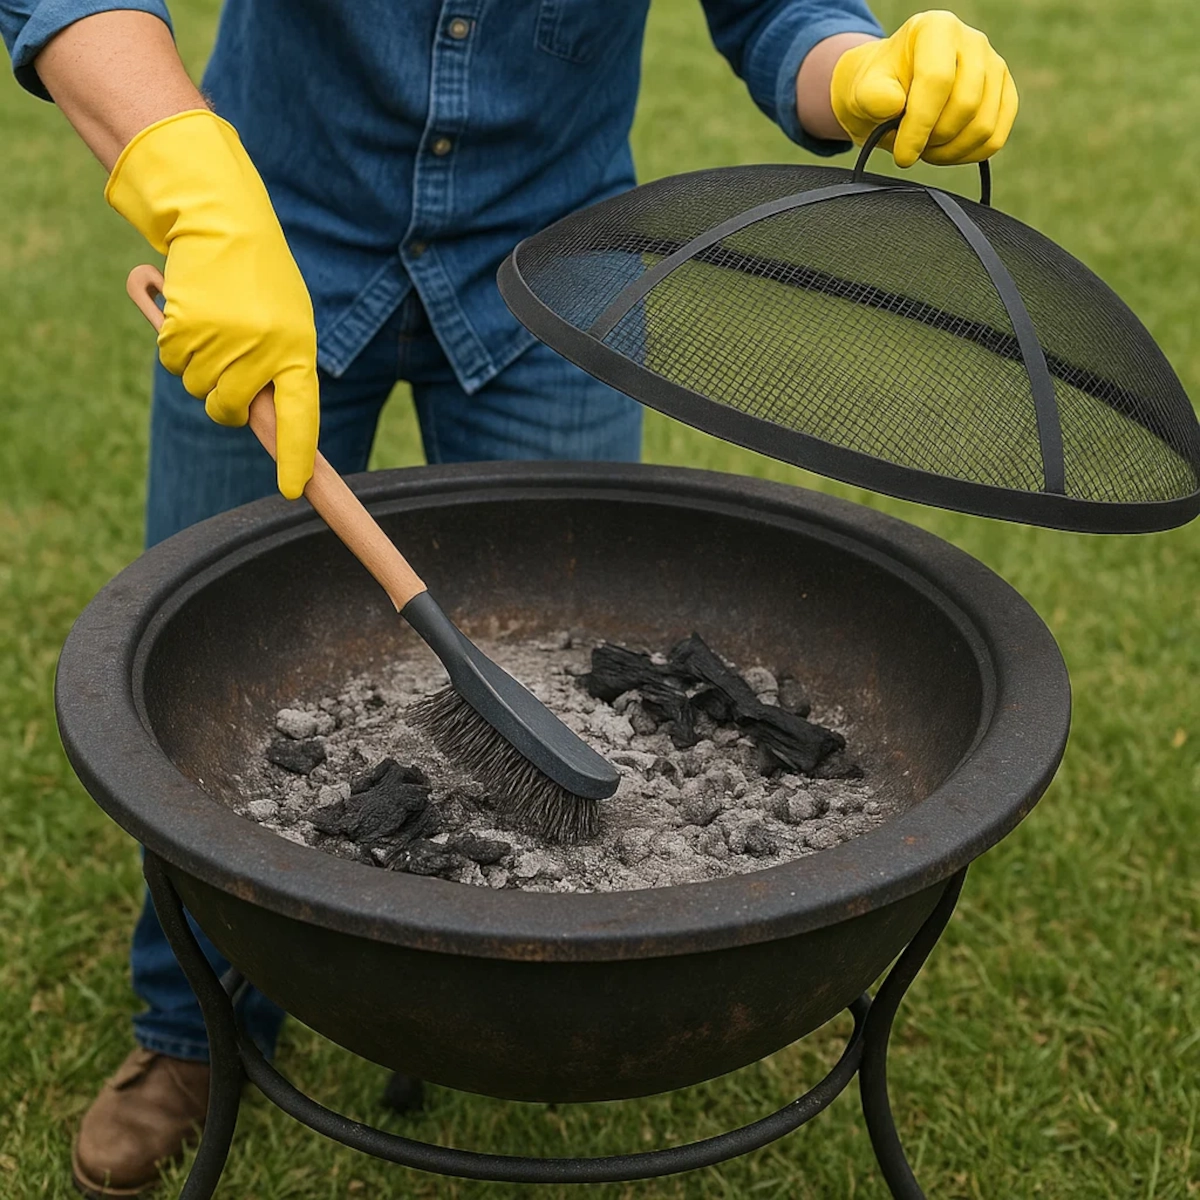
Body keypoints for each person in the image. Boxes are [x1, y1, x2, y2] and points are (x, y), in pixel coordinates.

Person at [1, 0, 1016, 1193]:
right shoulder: (226, 228)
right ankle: (191, 1033)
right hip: (261, 256)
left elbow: (776, 15)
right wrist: (188, 179)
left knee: (585, 660)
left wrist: (865, 73)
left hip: (551, 279)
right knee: (191, 697)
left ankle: (538, 1005)